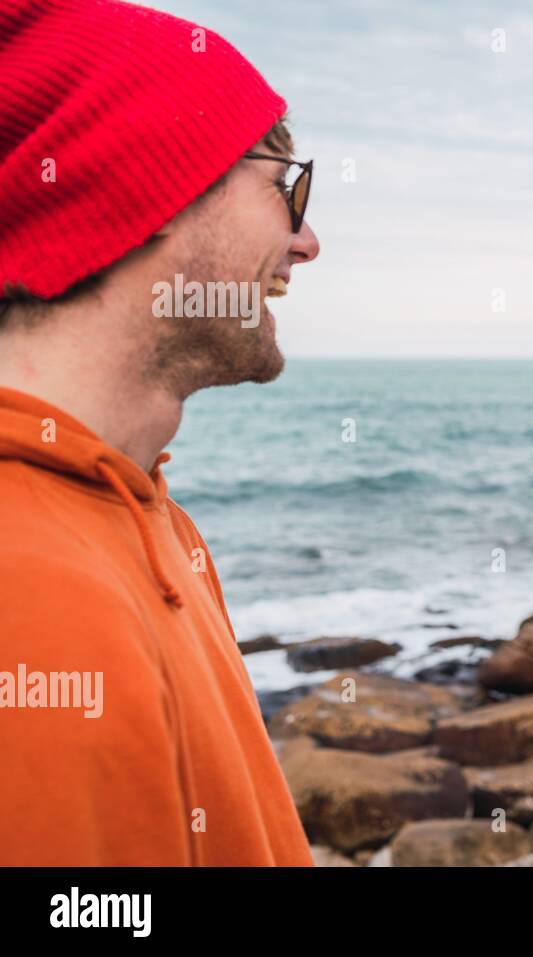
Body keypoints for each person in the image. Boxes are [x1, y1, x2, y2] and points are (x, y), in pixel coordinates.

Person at [0, 0, 320, 865]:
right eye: (283, 185)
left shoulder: (151, 518)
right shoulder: (24, 586)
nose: (308, 239)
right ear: (145, 184)